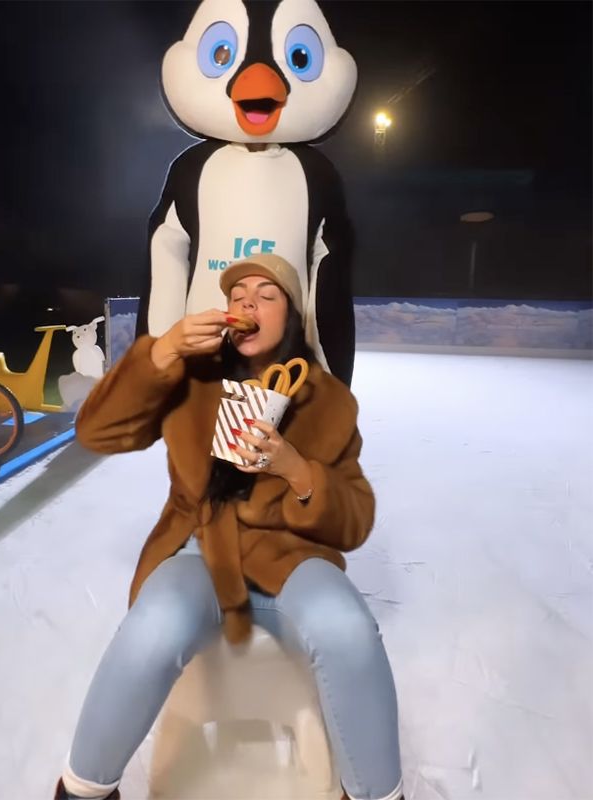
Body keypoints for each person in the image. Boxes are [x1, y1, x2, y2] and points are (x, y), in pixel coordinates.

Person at [56, 253, 401, 800]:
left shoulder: (330, 400)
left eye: (266, 295)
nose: (247, 304)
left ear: (292, 315)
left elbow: (355, 519)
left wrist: (297, 470)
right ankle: (82, 792)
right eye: (238, 296)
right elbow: (96, 433)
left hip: (291, 556)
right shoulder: (193, 377)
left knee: (348, 630)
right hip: (199, 549)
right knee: (154, 625)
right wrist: (163, 352)